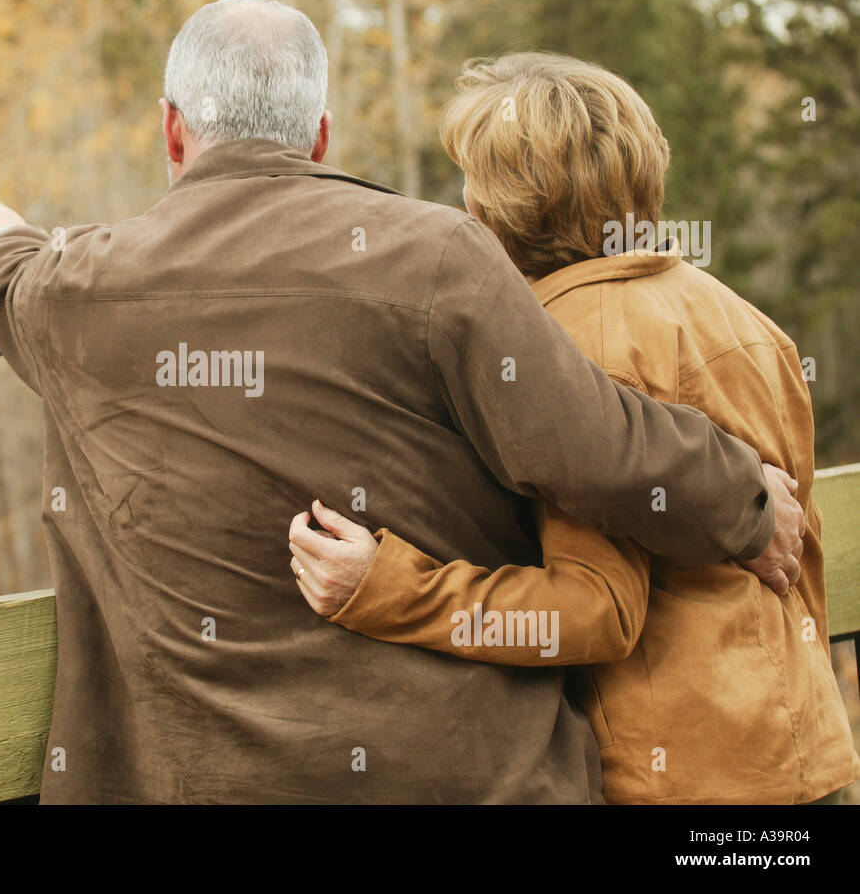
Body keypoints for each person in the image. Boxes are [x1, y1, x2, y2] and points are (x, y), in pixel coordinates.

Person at [0, 0, 801, 803]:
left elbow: (9, 283)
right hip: (471, 781)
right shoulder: (438, 257)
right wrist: (747, 505)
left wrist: (0, 243)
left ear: (172, 129)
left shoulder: (71, 292)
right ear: (319, 134)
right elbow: (599, 451)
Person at [289, 52, 858, 804]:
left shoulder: (561, 357)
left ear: (500, 207)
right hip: (813, 760)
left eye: (470, 183)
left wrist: (392, 588)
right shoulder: (739, 317)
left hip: (684, 787)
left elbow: (596, 611)